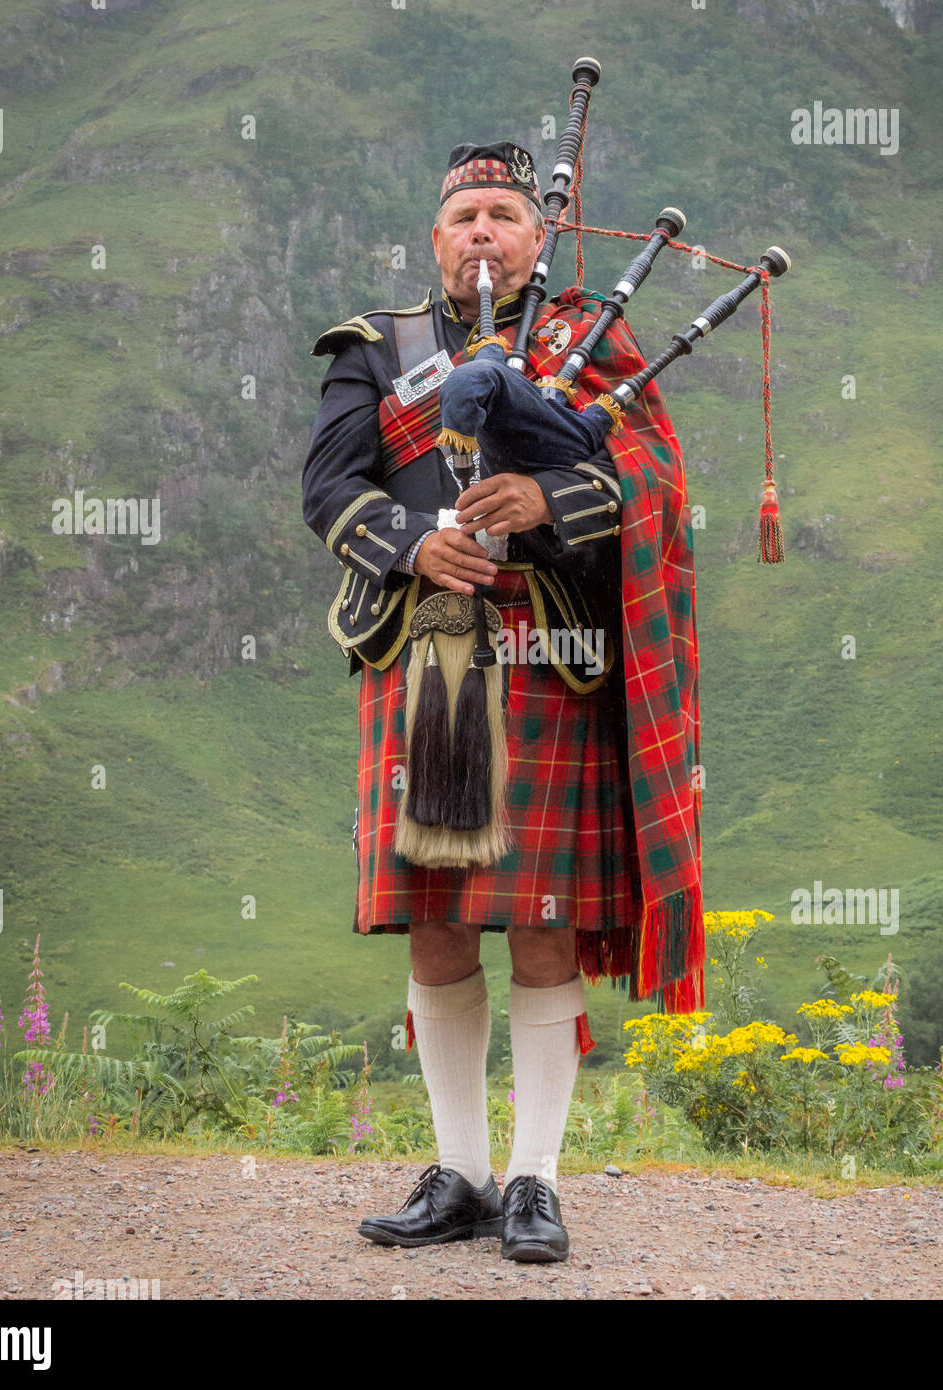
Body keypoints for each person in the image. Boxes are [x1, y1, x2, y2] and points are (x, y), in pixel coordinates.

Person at [301, 140, 703, 1264]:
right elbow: (330, 485)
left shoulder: (596, 340)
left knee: (539, 920)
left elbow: (653, 475)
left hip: (552, 651)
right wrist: (418, 541)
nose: (482, 230)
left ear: (540, 237)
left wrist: (546, 493)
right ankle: (461, 1174)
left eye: (503, 214)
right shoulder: (377, 349)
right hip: (423, 647)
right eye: (464, 214)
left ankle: (535, 1180)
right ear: (436, 240)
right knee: (432, 922)